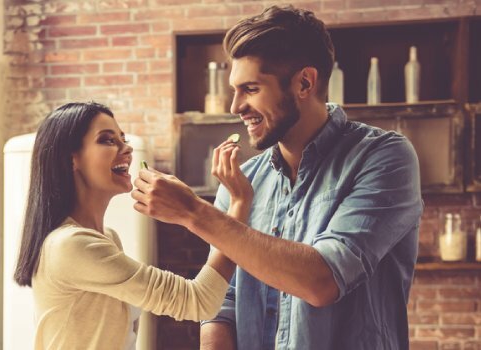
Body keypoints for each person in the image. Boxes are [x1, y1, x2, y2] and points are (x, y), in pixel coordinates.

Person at [132, 5, 423, 350]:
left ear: (304, 83)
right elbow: (222, 305)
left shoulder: (384, 157)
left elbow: (323, 280)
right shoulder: (242, 182)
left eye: (251, 89)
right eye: (234, 90)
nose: (235, 106)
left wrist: (194, 213)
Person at [13, 102, 252, 350]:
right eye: (107, 140)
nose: (126, 149)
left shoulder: (107, 238)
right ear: (71, 159)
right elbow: (199, 301)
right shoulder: (71, 246)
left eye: (123, 139)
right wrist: (238, 204)